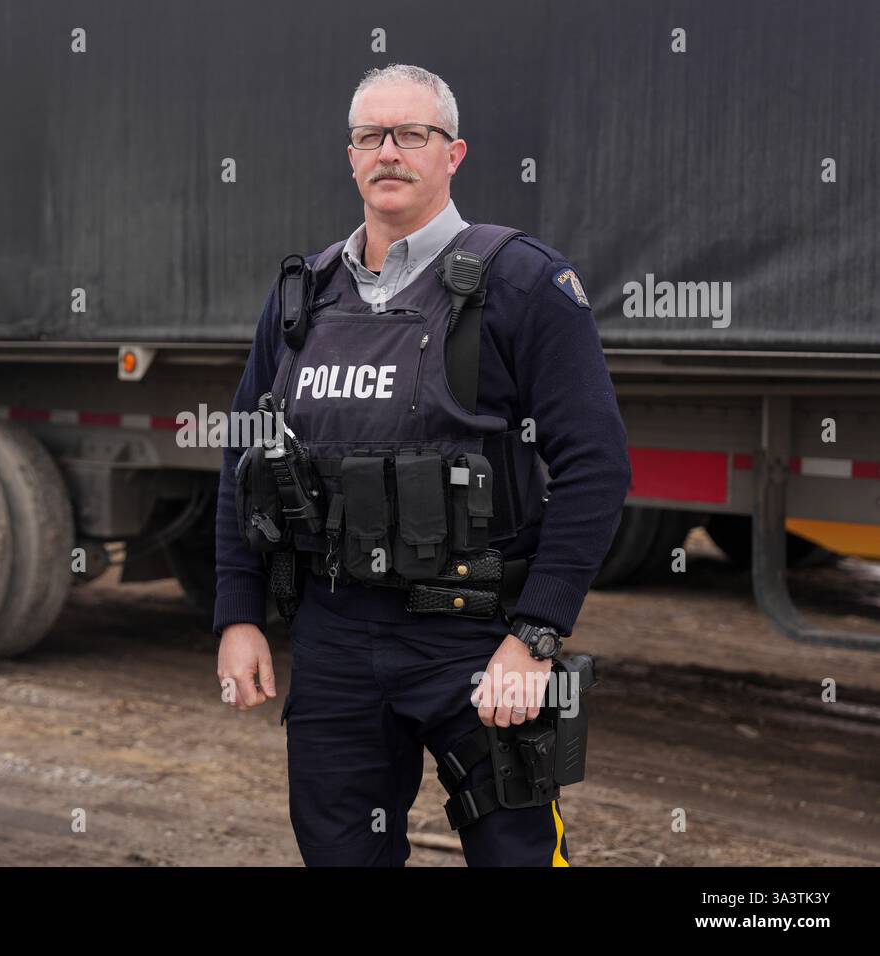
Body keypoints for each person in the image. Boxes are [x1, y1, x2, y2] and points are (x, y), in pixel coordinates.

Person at [213, 63, 632, 866]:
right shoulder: (305, 296)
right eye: (371, 135)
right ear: (350, 156)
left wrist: (536, 634)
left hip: (475, 639)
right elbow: (245, 451)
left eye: (413, 134)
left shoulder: (524, 281)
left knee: (517, 856)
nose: (390, 152)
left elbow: (597, 465)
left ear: (454, 154)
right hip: (334, 636)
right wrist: (239, 614)